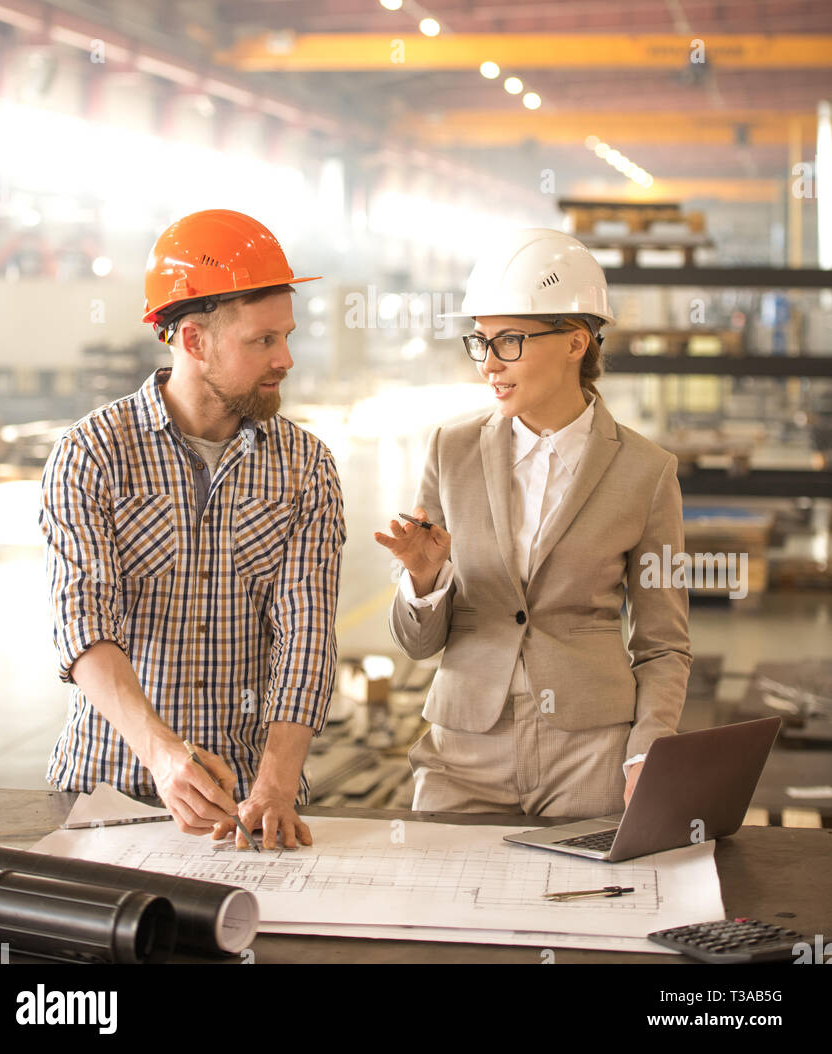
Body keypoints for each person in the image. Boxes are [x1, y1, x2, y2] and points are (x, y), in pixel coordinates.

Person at [39, 209, 345, 850]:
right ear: (195, 339)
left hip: (252, 804)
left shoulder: (306, 467)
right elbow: (84, 626)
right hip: (106, 791)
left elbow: (305, 634)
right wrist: (163, 756)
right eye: (263, 340)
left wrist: (276, 783)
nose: (285, 358)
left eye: (286, 336)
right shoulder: (92, 454)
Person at [376, 227, 692, 817]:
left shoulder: (648, 473)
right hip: (465, 746)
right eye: (481, 342)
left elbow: (663, 644)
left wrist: (648, 748)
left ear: (576, 342)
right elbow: (419, 644)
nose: (489, 364)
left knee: (586, 904)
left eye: (511, 341)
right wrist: (424, 582)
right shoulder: (452, 450)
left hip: (590, 750)